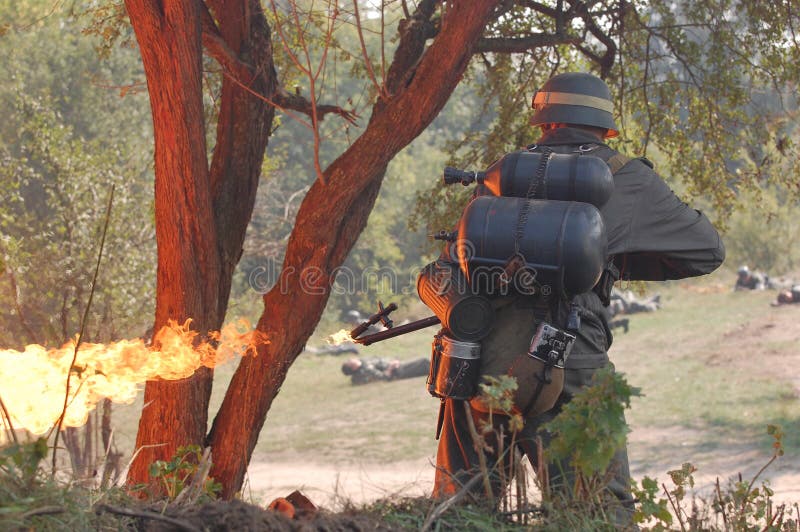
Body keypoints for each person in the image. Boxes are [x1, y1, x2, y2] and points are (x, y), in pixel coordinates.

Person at [432, 72, 725, 519]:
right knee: (595, 513)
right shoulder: (627, 179)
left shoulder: (501, 175)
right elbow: (706, 250)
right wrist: (607, 264)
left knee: (459, 511)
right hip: (572, 360)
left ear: (544, 121)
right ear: (604, 126)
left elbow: (453, 265)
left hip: (479, 359)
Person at [341, 356, 429, 385]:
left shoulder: (363, 362)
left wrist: (394, 361)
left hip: (396, 366)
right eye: (349, 361)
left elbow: (381, 361)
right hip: (397, 372)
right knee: (424, 362)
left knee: (425, 365)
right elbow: (384, 377)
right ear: (352, 367)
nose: (350, 359)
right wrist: (391, 367)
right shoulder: (366, 370)